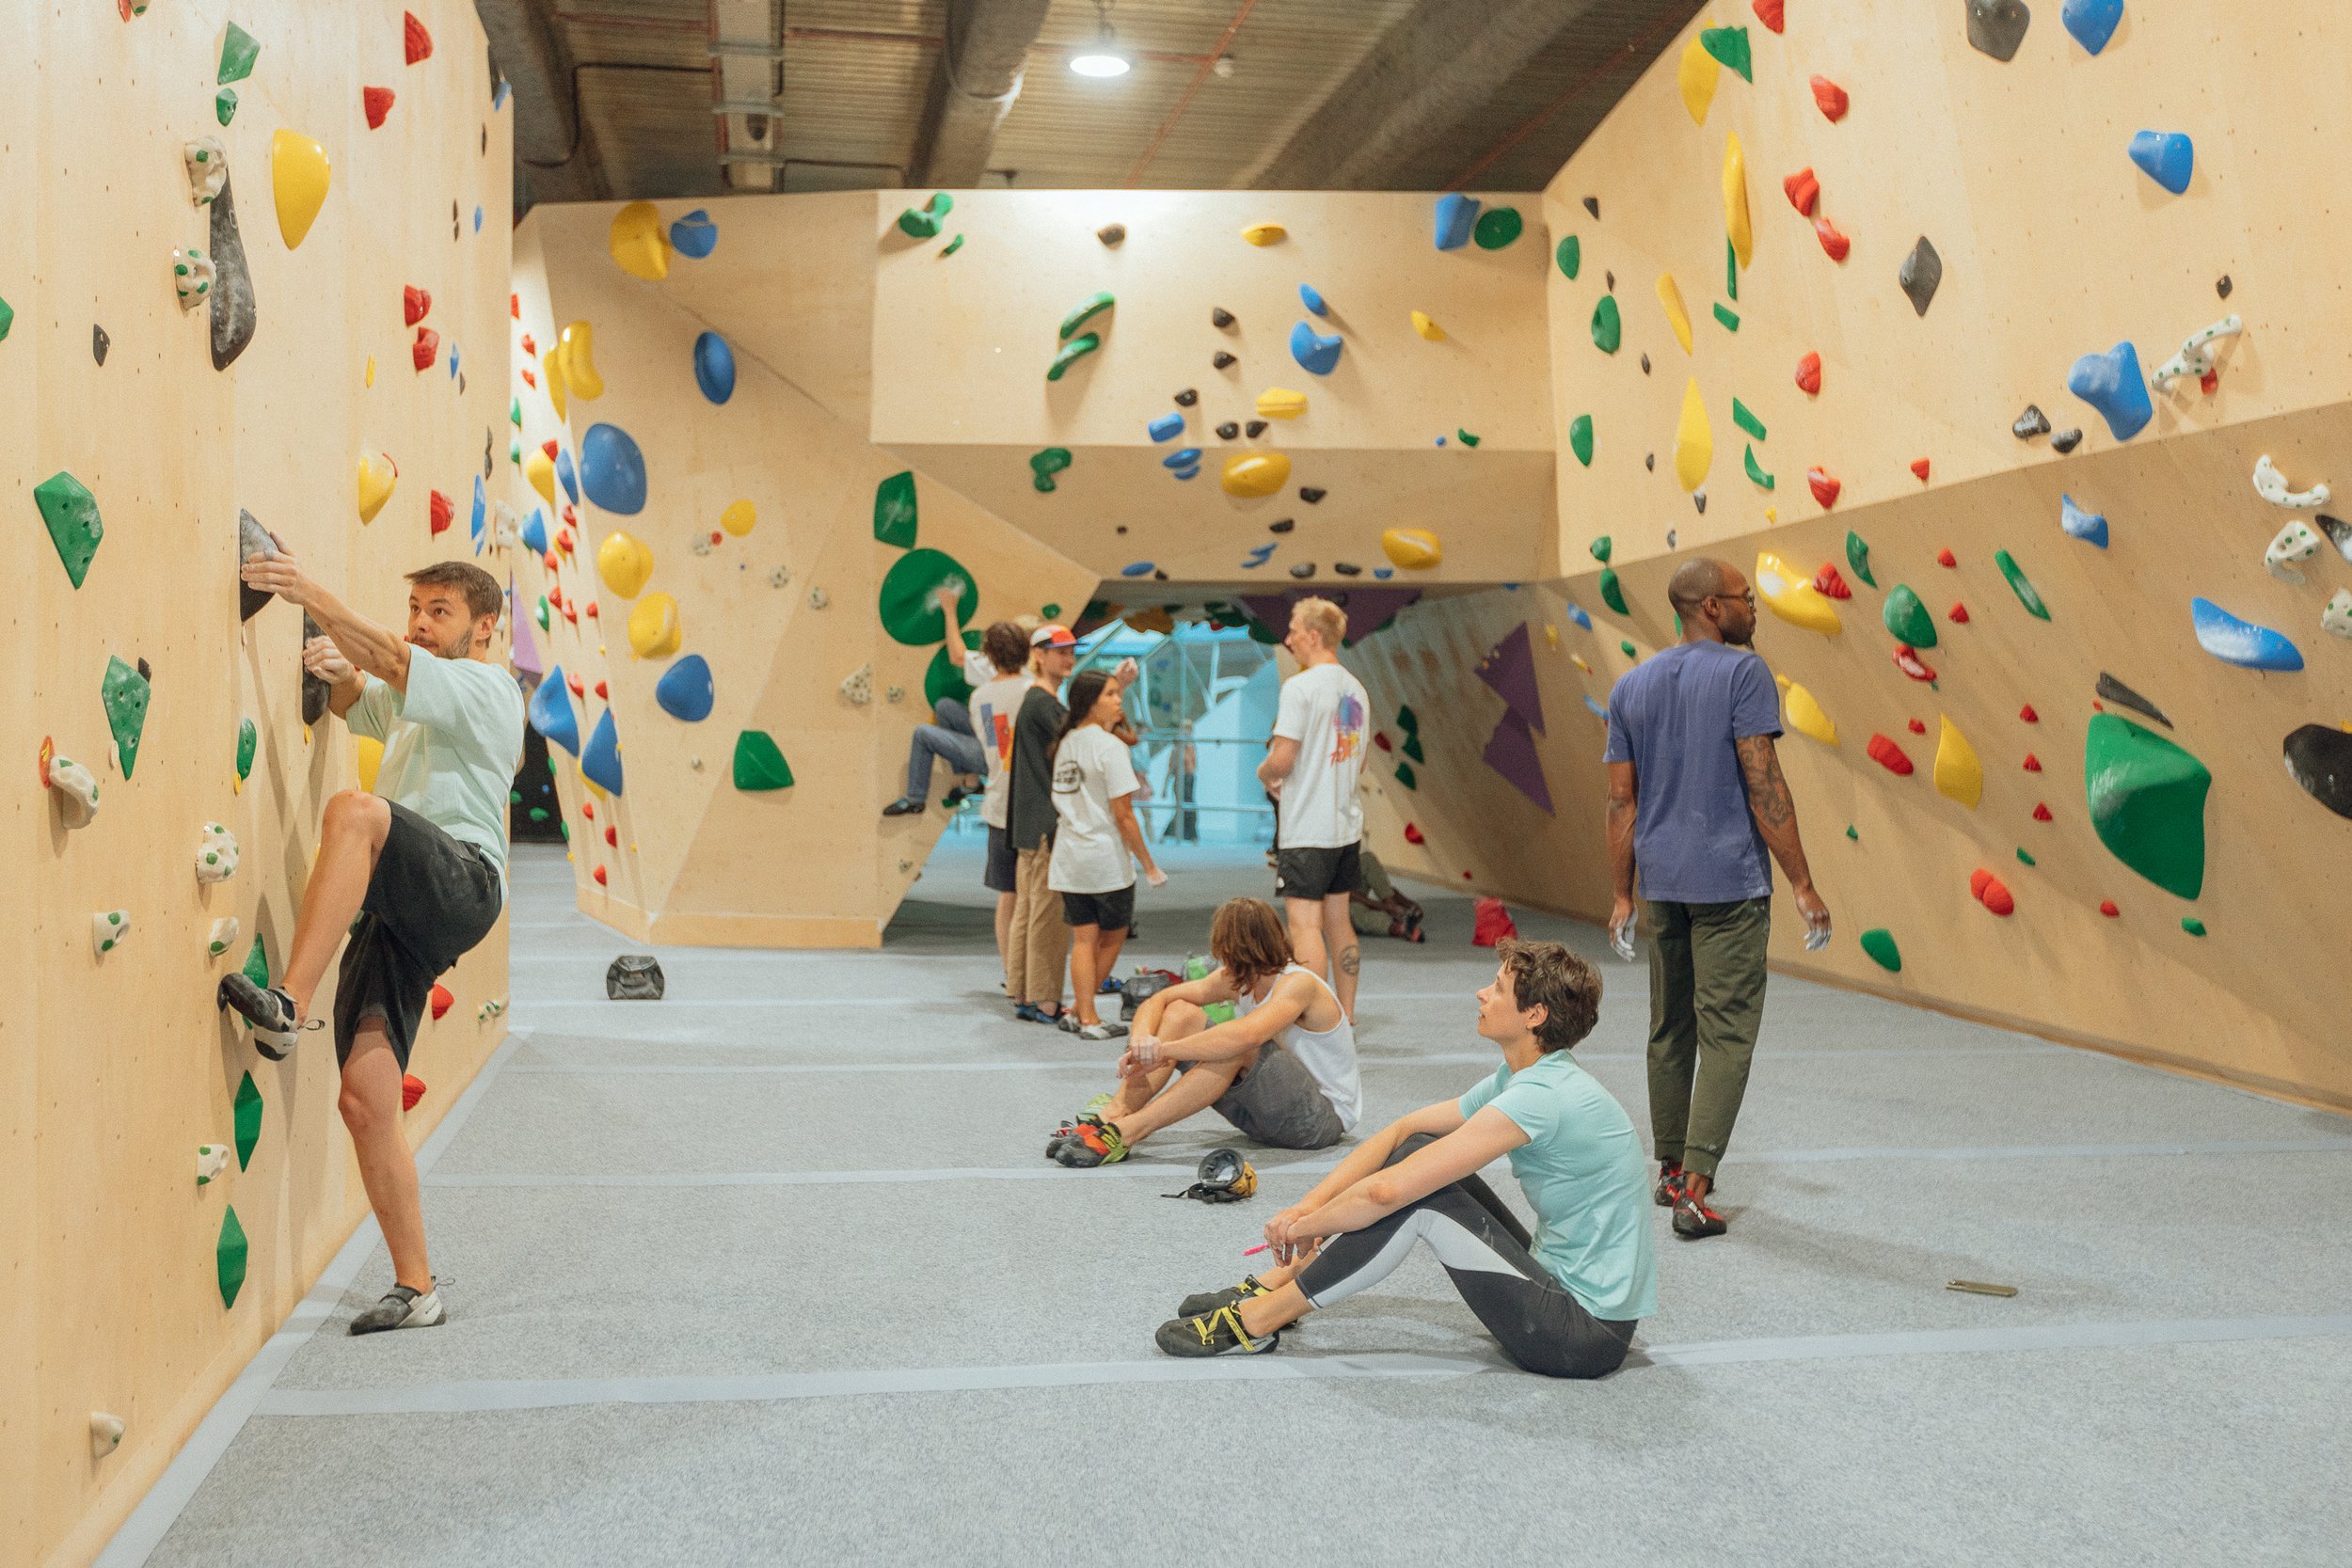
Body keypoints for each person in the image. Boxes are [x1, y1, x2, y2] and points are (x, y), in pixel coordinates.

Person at [218, 552, 524, 1335]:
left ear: (484, 629)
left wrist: (309, 597)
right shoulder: (422, 693)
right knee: (364, 1098)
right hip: (401, 908)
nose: (421, 622)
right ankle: (416, 1286)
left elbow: (389, 659)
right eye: (416, 606)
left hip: (463, 878)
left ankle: (287, 1003)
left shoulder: (487, 687)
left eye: (441, 611)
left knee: (357, 812)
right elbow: (368, 698)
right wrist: (333, 671)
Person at [1155, 941, 1655, 1378]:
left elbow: (1388, 1192)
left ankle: (1259, 1321)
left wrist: (1305, 1228)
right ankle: (1278, 1285)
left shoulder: (1540, 1096)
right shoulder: (1527, 1077)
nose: (1482, 994)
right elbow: (1403, 1130)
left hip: (1582, 1336)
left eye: (1498, 989)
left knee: (1420, 1199)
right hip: (1558, 1285)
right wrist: (1309, 1206)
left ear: (1535, 1015)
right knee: (1416, 1152)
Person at [1605, 557, 1830, 1241]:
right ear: (1709, 607)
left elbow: (1621, 798)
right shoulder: (1743, 673)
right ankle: (1696, 1190)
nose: (1753, 608)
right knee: (1727, 1031)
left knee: (1668, 1027)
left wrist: (1621, 892)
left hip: (1662, 883)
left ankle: (1670, 1168)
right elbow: (1764, 780)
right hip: (1729, 884)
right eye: (1743, 598)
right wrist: (1801, 880)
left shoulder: (1631, 685)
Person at [1047, 897, 1359, 1167]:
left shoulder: (1297, 984)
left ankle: (1128, 1131)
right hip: (1265, 1113)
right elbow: (1161, 998)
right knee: (1181, 1012)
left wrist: (1165, 1050)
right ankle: (1113, 1115)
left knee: (1237, 1045)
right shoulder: (1238, 976)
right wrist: (1142, 1039)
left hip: (1317, 1123)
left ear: (1230, 947)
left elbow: (1246, 1037)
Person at [1257, 597, 1370, 1021]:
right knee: (1339, 922)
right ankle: (1348, 1016)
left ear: (1314, 635)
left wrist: (1263, 771)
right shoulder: (1356, 689)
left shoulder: (1300, 687)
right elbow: (1359, 761)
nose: (1287, 639)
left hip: (1307, 829)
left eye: (1293, 630)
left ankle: (1316, 1021)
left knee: (1305, 926)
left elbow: (1282, 759)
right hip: (1345, 827)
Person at [1048, 670, 1166, 1039]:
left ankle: (1080, 1013)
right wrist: (1150, 866)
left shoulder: (1067, 742)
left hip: (1069, 855)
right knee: (1113, 937)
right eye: (1112, 694)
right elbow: (1124, 815)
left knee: (1084, 939)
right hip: (1104, 860)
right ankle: (1089, 1018)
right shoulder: (1110, 747)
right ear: (1090, 702)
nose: (1120, 700)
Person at [1003, 624, 1078, 1023]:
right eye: (1060, 652)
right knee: (1048, 916)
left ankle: (1023, 992)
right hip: (1047, 823)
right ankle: (1046, 999)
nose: (1068, 658)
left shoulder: (1033, 701)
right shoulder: (1046, 705)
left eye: (1071, 651)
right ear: (1039, 655)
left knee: (1028, 911)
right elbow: (1081, 739)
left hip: (1028, 822)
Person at [965, 619, 1040, 975]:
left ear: (989, 656)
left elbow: (990, 745)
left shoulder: (979, 697)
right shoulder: (1034, 690)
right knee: (1035, 895)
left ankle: (1012, 973)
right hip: (1033, 805)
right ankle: (1032, 971)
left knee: (1007, 895)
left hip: (997, 801)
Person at [880, 693, 985, 817]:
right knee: (944, 707)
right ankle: (971, 782)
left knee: (922, 734)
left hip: (999, 753)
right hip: (993, 737)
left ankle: (915, 799)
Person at [1348, 847, 1425, 943]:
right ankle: (1397, 927)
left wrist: (1410, 905)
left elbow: (1390, 889)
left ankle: (1397, 911)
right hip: (1335, 905)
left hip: (1351, 888)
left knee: (1367, 858)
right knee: (1355, 913)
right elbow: (1343, 893)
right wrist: (1383, 907)